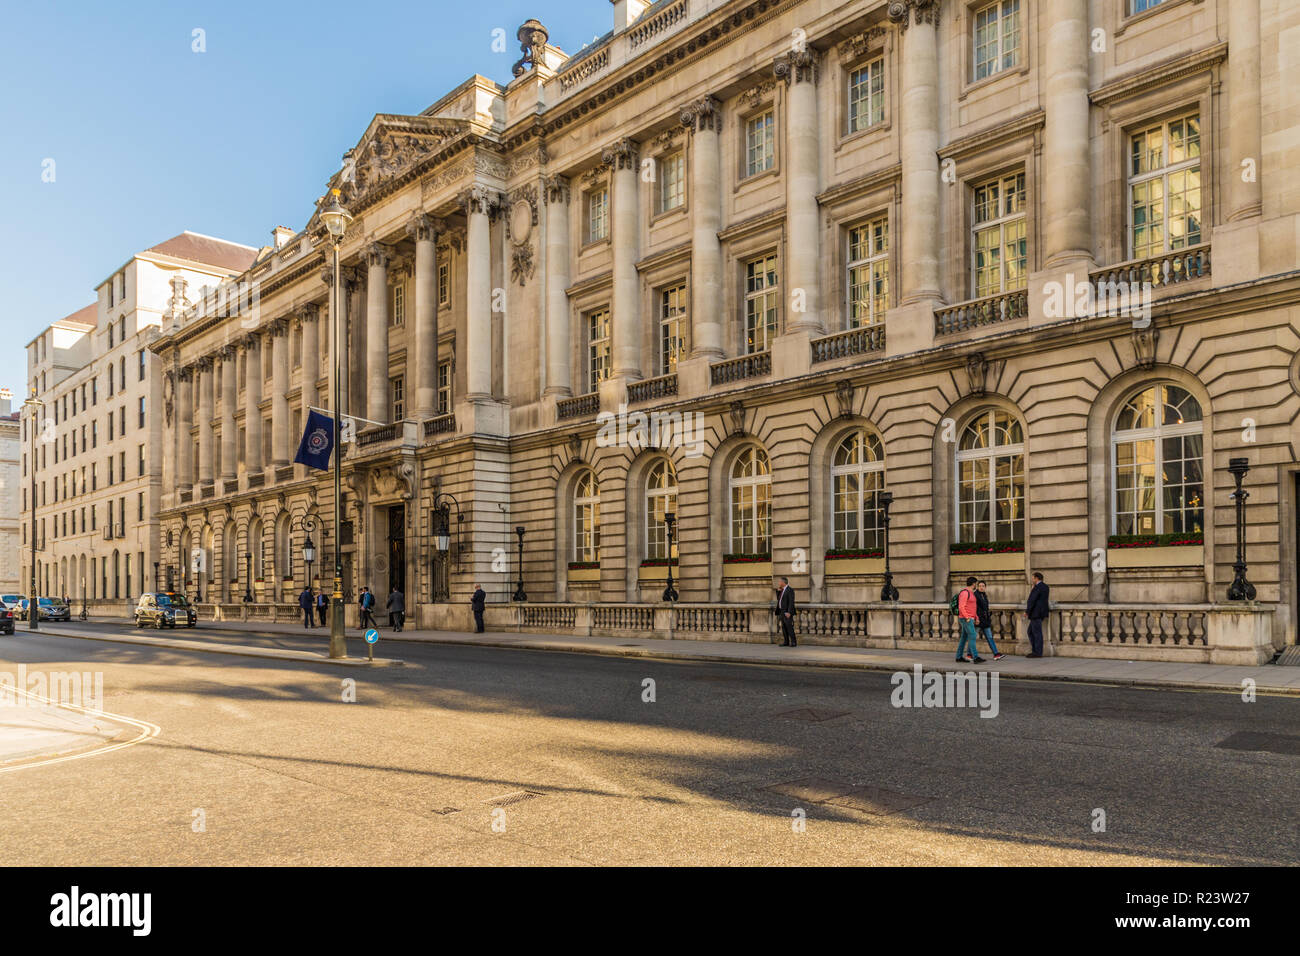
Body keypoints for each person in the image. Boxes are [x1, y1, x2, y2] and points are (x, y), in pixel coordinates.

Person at [955, 576, 985, 663]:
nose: (976, 585)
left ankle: (959, 657)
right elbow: (961, 606)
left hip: (970, 618)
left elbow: (972, 607)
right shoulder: (965, 593)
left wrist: (976, 617)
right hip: (966, 619)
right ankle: (975, 657)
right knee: (972, 636)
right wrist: (967, 617)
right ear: (973, 584)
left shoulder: (971, 593)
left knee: (964, 638)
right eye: (976, 583)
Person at [974, 580, 1004, 660]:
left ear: (985, 587)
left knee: (990, 637)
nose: (981, 587)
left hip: (985, 620)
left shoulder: (984, 595)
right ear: (977, 587)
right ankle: (969, 654)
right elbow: (974, 608)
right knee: (973, 638)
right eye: (980, 586)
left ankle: (996, 654)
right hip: (978, 620)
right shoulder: (975, 595)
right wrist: (976, 618)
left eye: (983, 586)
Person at [1025, 571, 1051, 658]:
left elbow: (1032, 600)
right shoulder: (1045, 587)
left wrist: (1027, 612)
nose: (1032, 580)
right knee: (1031, 632)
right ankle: (1035, 651)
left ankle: (1037, 652)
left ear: (1036, 578)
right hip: (1040, 613)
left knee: (1036, 633)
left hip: (1035, 613)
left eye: (1033, 578)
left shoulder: (1037, 587)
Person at [774, 576, 797, 647]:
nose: (779, 583)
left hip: (787, 612)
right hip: (781, 611)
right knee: (784, 627)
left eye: (780, 582)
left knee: (789, 627)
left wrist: (789, 612)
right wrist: (778, 591)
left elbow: (791, 602)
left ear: (783, 582)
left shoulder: (790, 590)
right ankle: (786, 641)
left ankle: (793, 642)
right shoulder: (782, 590)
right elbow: (779, 599)